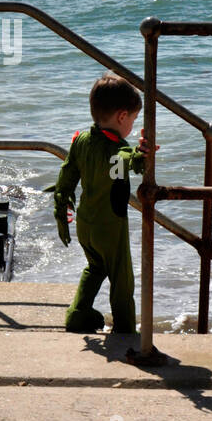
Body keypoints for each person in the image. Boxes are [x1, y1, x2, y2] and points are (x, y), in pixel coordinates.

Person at [49, 73, 155, 334]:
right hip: (111, 227)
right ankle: (125, 329)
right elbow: (123, 162)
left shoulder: (81, 141)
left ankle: (76, 314)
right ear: (122, 116)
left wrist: (62, 209)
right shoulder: (117, 151)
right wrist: (141, 155)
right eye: (133, 119)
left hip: (85, 223)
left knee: (95, 268)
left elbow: (67, 175)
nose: (132, 125)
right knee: (122, 281)